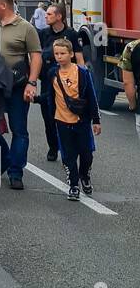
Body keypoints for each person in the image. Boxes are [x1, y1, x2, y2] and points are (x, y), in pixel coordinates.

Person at [0, 0, 42, 191]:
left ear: (4, 5)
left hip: (17, 86)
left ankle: (16, 172)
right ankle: (6, 158)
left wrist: (32, 83)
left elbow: (35, 56)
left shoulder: (26, 28)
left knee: (19, 130)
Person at [48, 38, 101, 200]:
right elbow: (50, 96)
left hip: (81, 120)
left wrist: (96, 120)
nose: (59, 56)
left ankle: (84, 175)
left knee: (86, 153)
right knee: (68, 155)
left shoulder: (82, 72)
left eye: (63, 53)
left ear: (71, 54)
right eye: (56, 54)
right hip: (62, 120)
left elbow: (91, 96)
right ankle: (73, 185)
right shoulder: (52, 73)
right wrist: (35, 99)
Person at [38, 4, 86, 162]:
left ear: (59, 17)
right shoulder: (44, 33)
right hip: (48, 80)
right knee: (48, 115)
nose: (46, 16)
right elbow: (37, 56)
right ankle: (53, 146)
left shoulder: (71, 33)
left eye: (50, 14)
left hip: (68, 80)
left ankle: (68, 147)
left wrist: (83, 76)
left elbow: (78, 57)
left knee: (67, 114)